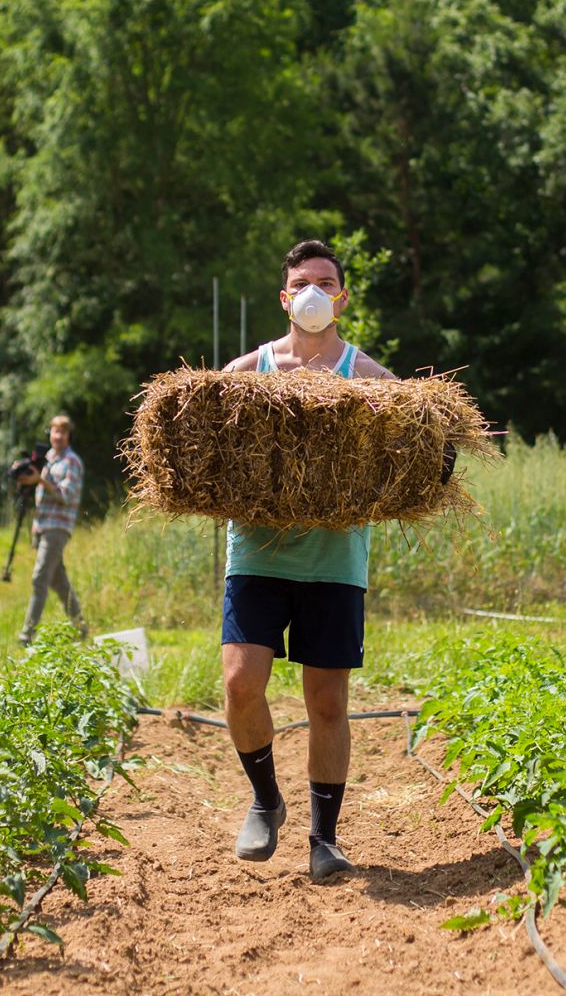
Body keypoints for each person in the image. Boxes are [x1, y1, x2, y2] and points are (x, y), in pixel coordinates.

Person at [220, 239, 395, 881]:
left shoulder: (370, 378)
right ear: (285, 296)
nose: (314, 292)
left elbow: (416, 445)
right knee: (241, 685)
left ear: (342, 297)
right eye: (303, 282)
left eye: (326, 281)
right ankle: (266, 800)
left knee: (326, 702)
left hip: (334, 561)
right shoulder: (247, 374)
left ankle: (325, 837)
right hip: (258, 554)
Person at [17, 414, 88, 646]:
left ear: (68, 435)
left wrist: (40, 481)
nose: (57, 436)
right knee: (59, 582)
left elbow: (66, 496)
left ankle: (27, 635)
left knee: (39, 579)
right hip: (41, 525)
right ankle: (81, 628)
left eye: (62, 432)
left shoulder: (72, 462)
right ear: (50, 433)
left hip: (58, 527)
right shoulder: (46, 458)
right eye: (54, 432)